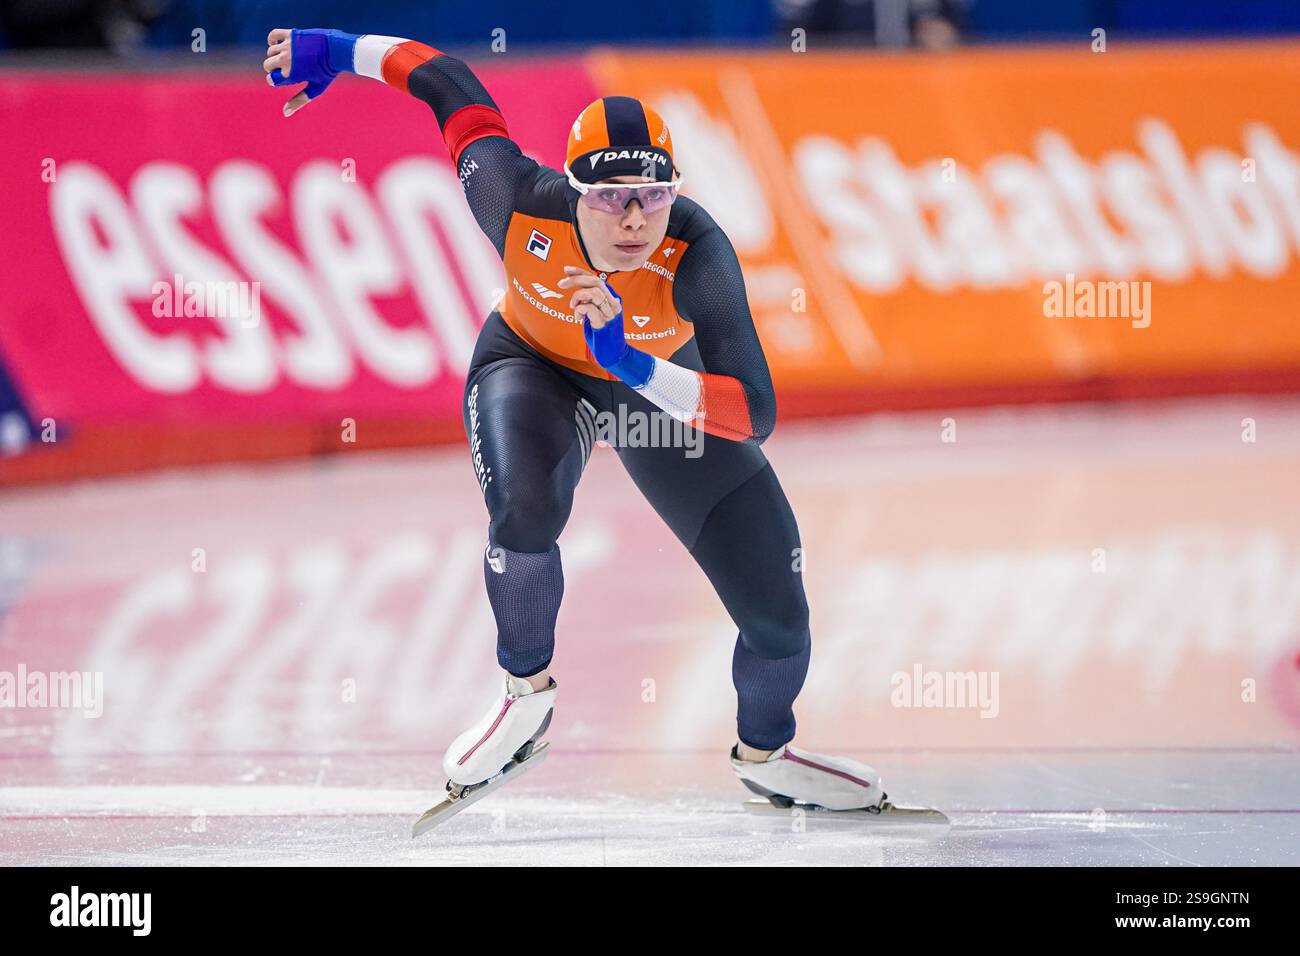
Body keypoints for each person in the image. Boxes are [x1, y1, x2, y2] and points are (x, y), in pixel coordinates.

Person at [263, 27, 885, 811]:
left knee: (778, 610)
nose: (633, 219)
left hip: (648, 392)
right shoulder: (513, 197)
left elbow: (754, 413)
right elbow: (445, 79)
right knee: (523, 515)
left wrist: (630, 365)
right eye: (610, 197)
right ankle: (525, 696)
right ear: (573, 188)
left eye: (652, 196)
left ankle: (767, 751)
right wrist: (334, 46)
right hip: (532, 364)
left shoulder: (696, 251)